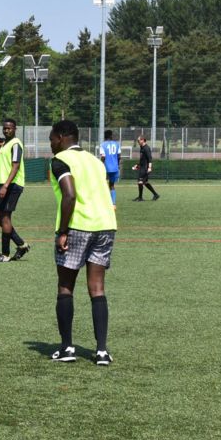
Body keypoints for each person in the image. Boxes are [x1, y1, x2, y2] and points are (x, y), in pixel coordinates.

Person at [48, 120, 117, 365]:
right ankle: (101, 352)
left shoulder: (61, 160)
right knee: (97, 288)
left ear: (63, 136)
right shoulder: (95, 162)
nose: (51, 144)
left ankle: (67, 348)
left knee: (65, 287)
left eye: (52, 139)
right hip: (106, 225)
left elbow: (70, 194)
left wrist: (63, 231)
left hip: (78, 226)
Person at [0, 119, 30, 263]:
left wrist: (5, 186)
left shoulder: (16, 144)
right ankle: (21, 244)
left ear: (15, 129)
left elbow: (15, 166)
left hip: (12, 185)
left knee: (5, 218)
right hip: (3, 184)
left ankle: (5, 254)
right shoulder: (5, 144)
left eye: (9, 128)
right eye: (4, 128)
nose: (6, 130)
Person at [132, 136, 160, 201]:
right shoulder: (142, 148)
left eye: (138, 141)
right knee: (145, 182)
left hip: (145, 168)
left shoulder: (146, 148)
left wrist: (149, 167)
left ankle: (140, 198)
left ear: (143, 140)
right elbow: (142, 160)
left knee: (140, 182)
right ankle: (156, 195)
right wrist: (137, 165)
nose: (138, 142)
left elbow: (150, 159)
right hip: (142, 167)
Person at [98, 130, 122, 207]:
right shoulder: (117, 144)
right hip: (115, 168)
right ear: (111, 136)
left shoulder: (102, 145)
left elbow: (103, 156)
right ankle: (113, 204)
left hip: (105, 168)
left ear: (104, 137)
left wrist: (101, 165)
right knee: (111, 185)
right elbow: (119, 156)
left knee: (102, 184)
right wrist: (117, 164)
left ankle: (102, 202)